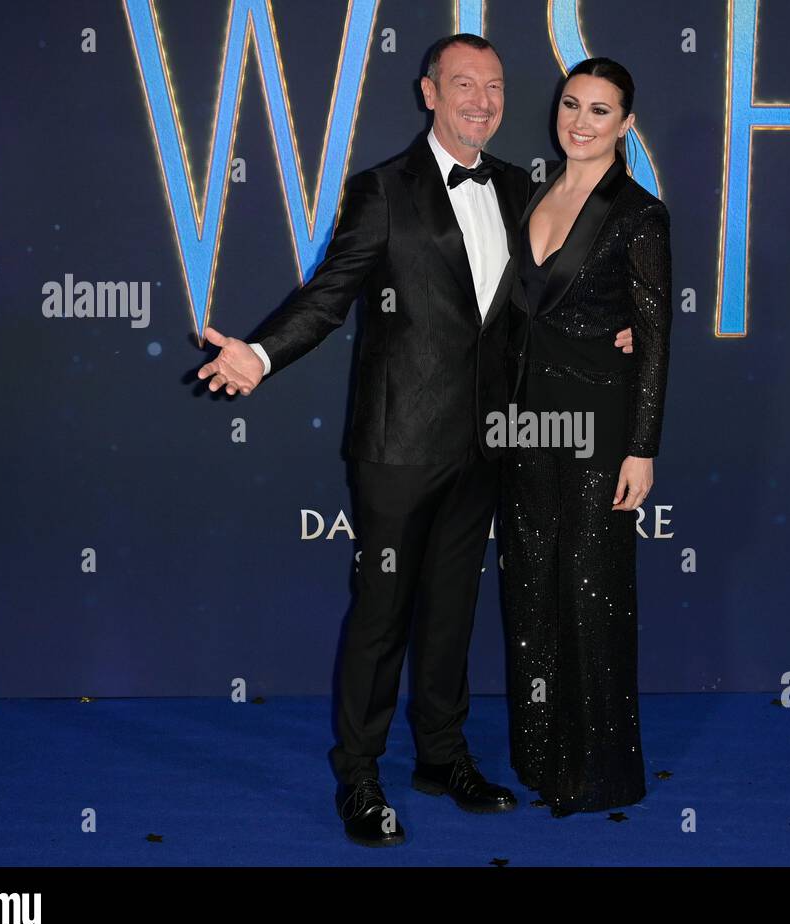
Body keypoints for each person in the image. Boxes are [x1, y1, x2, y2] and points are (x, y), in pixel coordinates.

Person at [195, 36, 632, 847]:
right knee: (382, 615)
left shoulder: (519, 188)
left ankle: (442, 756)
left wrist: (615, 334)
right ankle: (360, 777)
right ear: (429, 92)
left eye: (493, 87)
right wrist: (259, 354)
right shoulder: (382, 190)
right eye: (463, 84)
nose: (481, 101)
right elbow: (329, 296)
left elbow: (547, 302)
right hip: (398, 445)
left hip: (488, 443)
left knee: (451, 613)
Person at [499, 57, 671, 817]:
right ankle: (541, 754)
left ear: (625, 125)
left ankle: (598, 770)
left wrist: (643, 447)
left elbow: (656, 338)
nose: (581, 121)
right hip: (524, 423)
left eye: (600, 111)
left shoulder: (639, 214)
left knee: (590, 592)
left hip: (599, 428)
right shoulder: (530, 192)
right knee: (531, 587)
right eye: (572, 104)